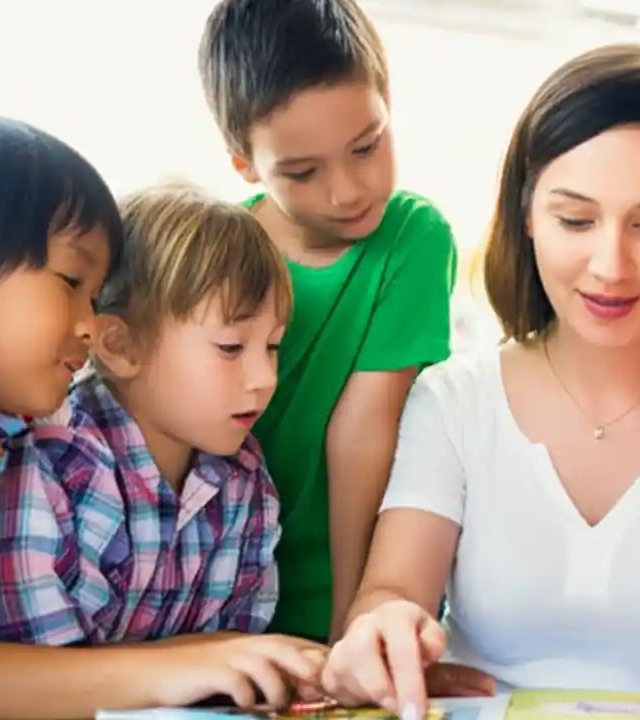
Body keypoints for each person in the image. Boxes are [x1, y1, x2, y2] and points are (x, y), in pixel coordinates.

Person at [320, 43, 640, 720]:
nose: (610, 265)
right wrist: (383, 633)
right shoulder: (453, 402)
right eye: (575, 220)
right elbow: (389, 594)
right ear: (526, 213)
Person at [199, 0, 458, 644]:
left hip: (353, 585)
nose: (347, 190)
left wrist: (353, 622)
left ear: (388, 106)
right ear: (244, 164)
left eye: (367, 146)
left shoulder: (412, 237)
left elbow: (362, 432)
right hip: (210, 599)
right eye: (303, 172)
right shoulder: (215, 252)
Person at [0, 185, 291, 647]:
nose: (264, 378)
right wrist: (198, 662)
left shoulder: (247, 485)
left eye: (273, 346)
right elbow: (35, 676)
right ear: (119, 346)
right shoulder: (53, 461)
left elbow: (234, 662)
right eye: (231, 347)